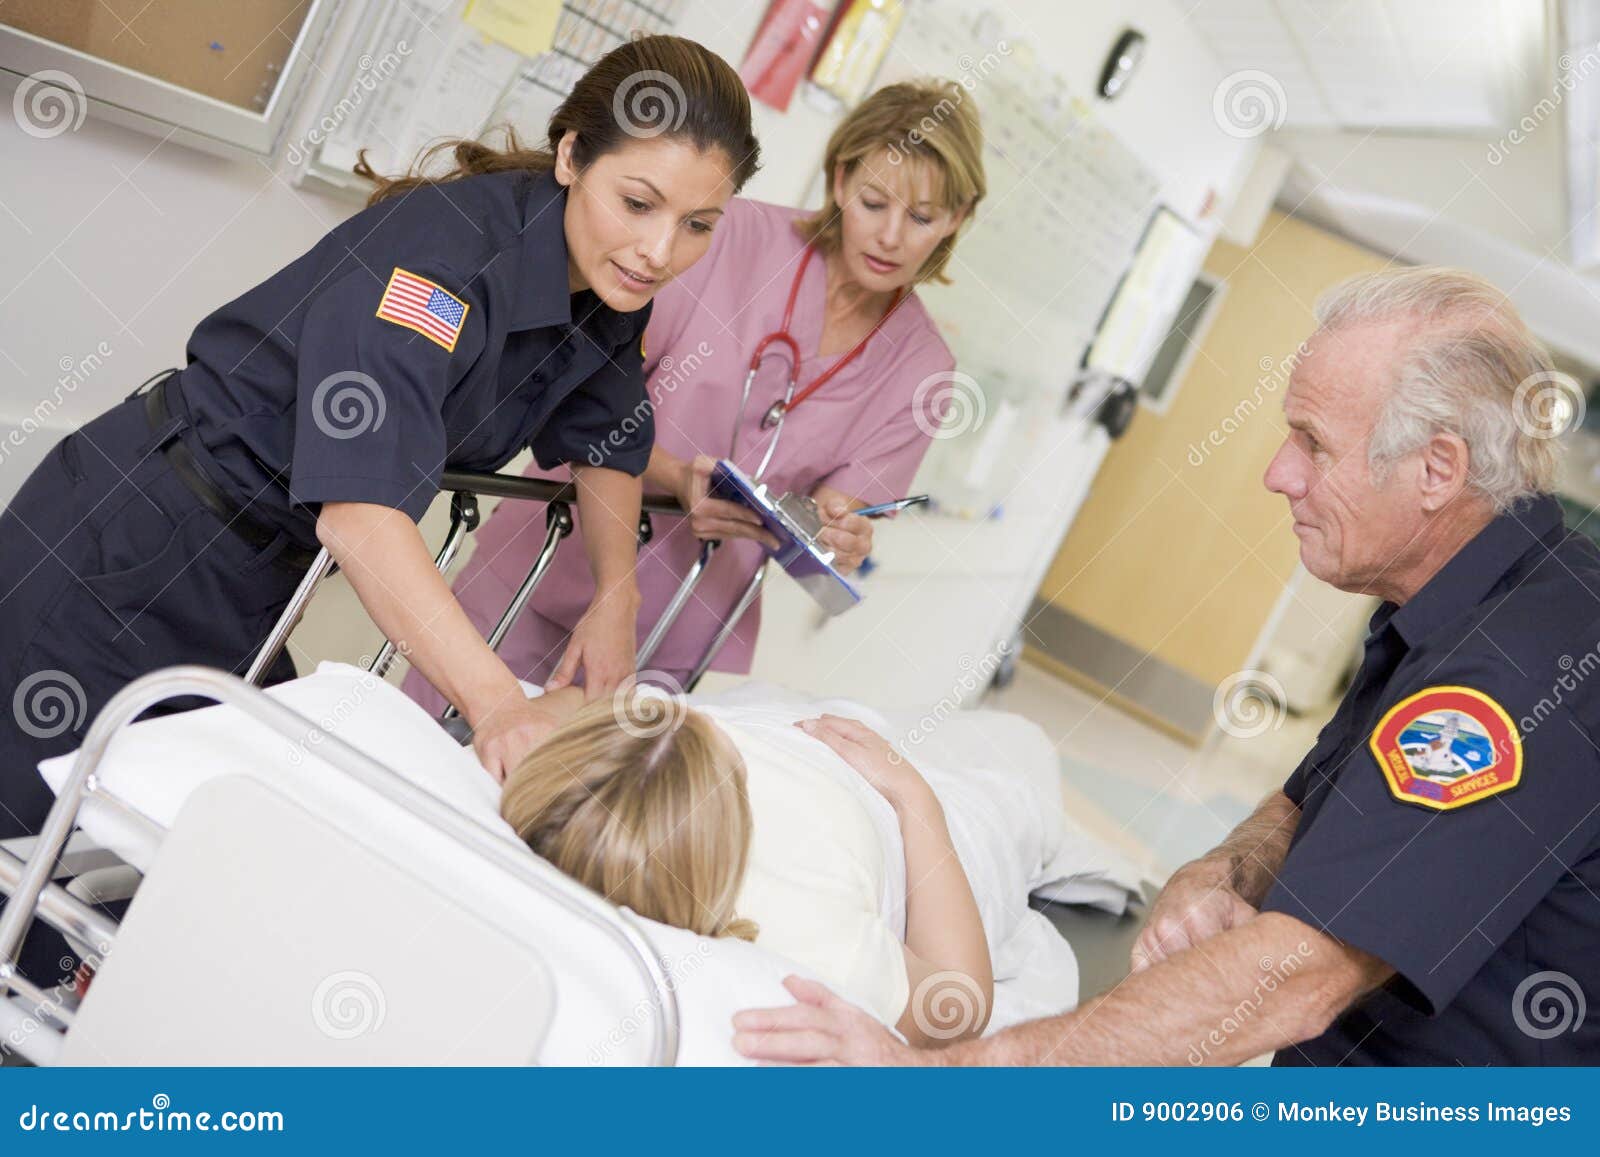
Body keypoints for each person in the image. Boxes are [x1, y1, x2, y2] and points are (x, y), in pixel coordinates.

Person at [731, 267, 1600, 1066]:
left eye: (1313, 443)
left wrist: (935, 1081)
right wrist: (1218, 872)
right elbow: (1315, 798)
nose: (1278, 472)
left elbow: (1295, 975)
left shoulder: (1516, 668)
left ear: (1437, 469)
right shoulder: (1450, 609)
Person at [0, 35, 762, 848]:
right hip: (132, 542)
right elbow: (361, 517)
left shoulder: (608, 287)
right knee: (33, 847)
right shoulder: (442, 266)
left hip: (256, 578)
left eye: (698, 225)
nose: (658, 251)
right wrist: (500, 707)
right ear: (572, 156)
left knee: (155, 857)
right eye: (638, 204)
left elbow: (609, 439)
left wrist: (618, 595)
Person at [403, 79, 984, 708]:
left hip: (682, 622)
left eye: (922, 218)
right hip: (546, 558)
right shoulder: (723, 236)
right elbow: (581, 399)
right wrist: (678, 475)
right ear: (841, 180)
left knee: (570, 799)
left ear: (957, 218)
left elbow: (834, 513)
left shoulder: (924, 368)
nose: (891, 236)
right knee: (431, 741)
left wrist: (835, 535)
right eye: (875, 202)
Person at [499, 691, 994, 1046]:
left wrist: (532, 709)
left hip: (783, 717)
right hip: (880, 788)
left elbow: (575, 702)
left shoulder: (621, 740)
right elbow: (958, 1007)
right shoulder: (809, 927)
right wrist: (917, 800)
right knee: (999, 785)